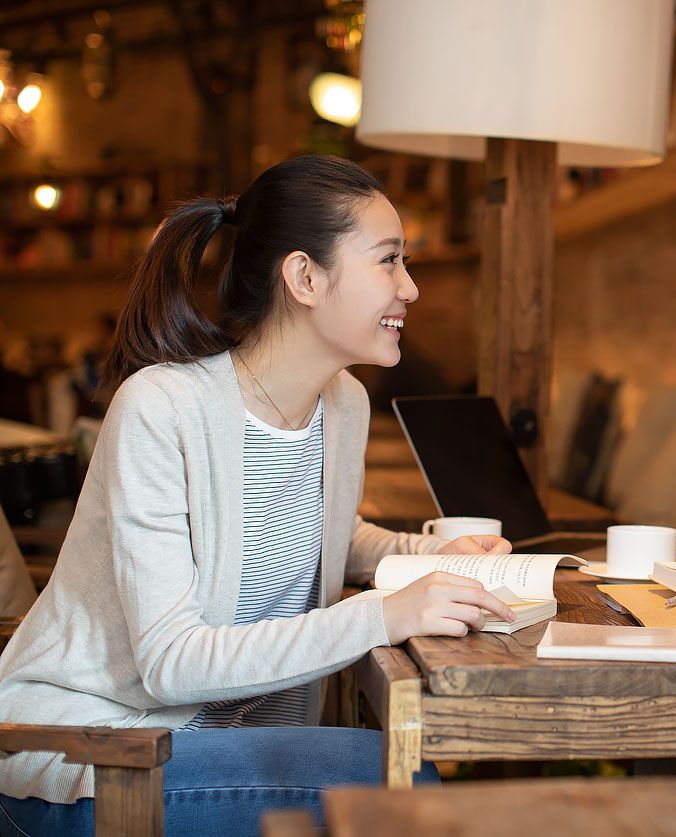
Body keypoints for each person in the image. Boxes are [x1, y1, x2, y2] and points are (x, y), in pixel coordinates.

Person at [0, 155, 517, 836]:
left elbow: (317, 529)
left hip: (212, 744)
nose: (410, 289)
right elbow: (172, 662)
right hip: (99, 752)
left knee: (403, 768)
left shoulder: (344, 403)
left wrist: (432, 552)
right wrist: (381, 614)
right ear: (304, 277)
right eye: (389, 261)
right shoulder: (162, 407)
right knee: (400, 781)